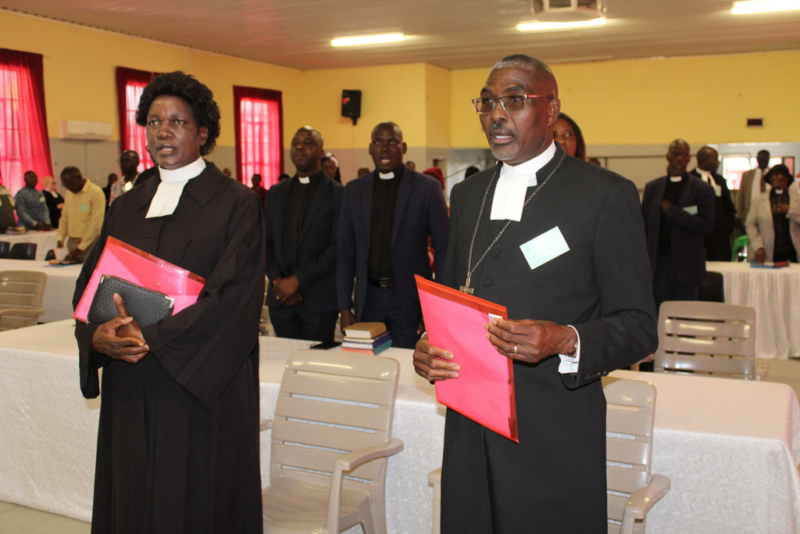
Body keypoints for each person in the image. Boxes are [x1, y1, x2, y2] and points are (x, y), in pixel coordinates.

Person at [412, 54, 657, 533]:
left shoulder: (604, 195)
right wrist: (428, 343)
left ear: (551, 110)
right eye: (487, 101)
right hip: (469, 427)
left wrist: (564, 339)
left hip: (553, 434)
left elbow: (639, 327)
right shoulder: (467, 195)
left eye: (514, 100)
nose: (496, 113)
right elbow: (454, 294)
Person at [73, 71, 264, 533]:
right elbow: (88, 289)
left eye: (177, 122)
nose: (163, 131)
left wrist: (153, 337)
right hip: (131, 385)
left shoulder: (236, 203)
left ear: (203, 133)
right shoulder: (127, 205)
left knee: (196, 502)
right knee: (133, 496)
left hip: (199, 389)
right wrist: (96, 337)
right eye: (154, 121)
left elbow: (233, 298)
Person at [338, 121, 449, 349]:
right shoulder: (354, 190)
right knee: (370, 370)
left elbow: (444, 249)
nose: (385, 148)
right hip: (368, 299)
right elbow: (345, 251)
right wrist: (344, 307)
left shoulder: (426, 188)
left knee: (410, 369)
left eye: (392, 142)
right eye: (378, 142)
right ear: (370, 148)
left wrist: (433, 308)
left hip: (410, 301)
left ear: (404, 147)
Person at [265, 127, 344, 342]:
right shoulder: (276, 192)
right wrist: (280, 281)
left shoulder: (337, 194)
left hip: (319, 300)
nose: (300, 146)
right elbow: (264, 241)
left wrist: (297, 280)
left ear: (321, 151)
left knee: (317, 369)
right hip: (281, 299)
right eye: (295, 142)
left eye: (308, 142)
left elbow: (337, 246)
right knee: (284, 366)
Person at [641, 139, 715, 311]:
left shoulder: (702, 189)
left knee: (686, 316)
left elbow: (706, 226)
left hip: (687, 267)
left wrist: (673, 212)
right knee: (658, 317)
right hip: (658, 267)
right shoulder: (653, 188)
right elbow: (643, 227)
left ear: (690, 159)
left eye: (684, 155)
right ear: (668, 156)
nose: (680, 159)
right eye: (676, 154)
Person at [746, 164, 800, 264]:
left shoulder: (797, 199)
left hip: (793, 250)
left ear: (787, 178)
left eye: (778, 174)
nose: (775, 178)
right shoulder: (759, 200)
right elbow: (750, 224)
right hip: (768, 250)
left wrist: (790, 210)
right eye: (773, 175)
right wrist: (758, 246)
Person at [690, 146, 736, 261]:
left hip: (720, 239)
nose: (718, 162)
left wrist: (726, 227)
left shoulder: (720, 180)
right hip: (697, 237)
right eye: (715, 159)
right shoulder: (689, 180)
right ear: (705, 159)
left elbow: (729, 208)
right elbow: (686, 209)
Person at [57, 167, 105, 263]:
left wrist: (81, 248)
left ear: (79, 178)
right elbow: (64, 218)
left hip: (90, 244)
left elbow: (96, 224)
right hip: (72, 243)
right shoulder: (69, 193)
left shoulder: (96, 192)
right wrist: (60, 238)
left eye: (70, 184)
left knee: (89, 275)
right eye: (65, 185)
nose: (68, 188)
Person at [736, 149, 771, 229]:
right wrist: (738, 215)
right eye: (761, 158)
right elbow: (741, 196)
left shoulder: (772, 175)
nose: (763, 161)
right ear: (757, 159)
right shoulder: (747, 175)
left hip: (769, 215)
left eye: (765, 159)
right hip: (751, 213)